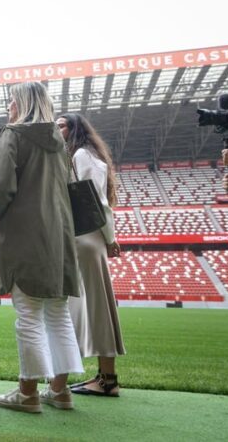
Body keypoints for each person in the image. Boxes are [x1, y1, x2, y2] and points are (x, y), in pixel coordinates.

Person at [0, 81, 83, 413]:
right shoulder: (60, 143)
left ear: (22, 104)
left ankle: (27, 392)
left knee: (27, 314)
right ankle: (60, 390)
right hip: (59, 237)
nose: (9, 107)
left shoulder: (13, 135)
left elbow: (0, 187)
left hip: (25, 235)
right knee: (58, 315)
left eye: (12, 101)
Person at [56, 113, 126, 397]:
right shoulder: (80, 155)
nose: (56, 129)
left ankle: (107, 379)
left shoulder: (83, 155)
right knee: (94, 307)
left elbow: (96, 200)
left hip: (86, 237)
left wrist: (110, 238)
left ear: (73, 129)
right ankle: (104, 376)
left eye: (61, 125)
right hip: (85, 237)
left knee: (96, 308)